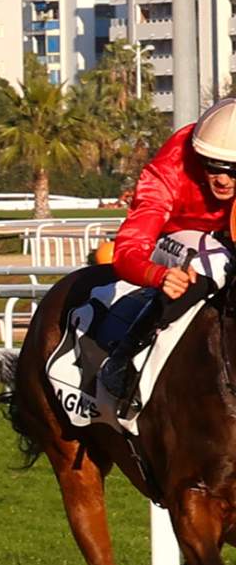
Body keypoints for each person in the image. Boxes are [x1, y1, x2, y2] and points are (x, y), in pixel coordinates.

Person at [98, 96, 236, 411]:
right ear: (200, 156)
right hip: (172, 240)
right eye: (213, 167)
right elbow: (127, 251)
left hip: (222, 238)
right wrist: (158, 275)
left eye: (234, 170)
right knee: (214, 260)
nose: (223, 179)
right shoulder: (168, 172)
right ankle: (123, 357)